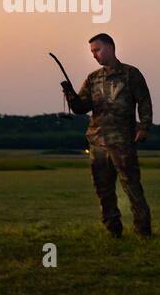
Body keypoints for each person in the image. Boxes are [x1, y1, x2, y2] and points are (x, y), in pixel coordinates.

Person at [61, 33, 153, 237]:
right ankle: (113, 230)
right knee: (103, 189)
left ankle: (143, 230)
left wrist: (144, 127)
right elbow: (81, 108)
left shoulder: (131, 74)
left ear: (111, 48)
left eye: (98, 49)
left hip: (122, 141)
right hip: (97, 141)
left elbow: (144, 101)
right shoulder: (93, 78)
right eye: (92, 52)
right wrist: (70, 95)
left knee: (132, 186)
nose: (95, 55)